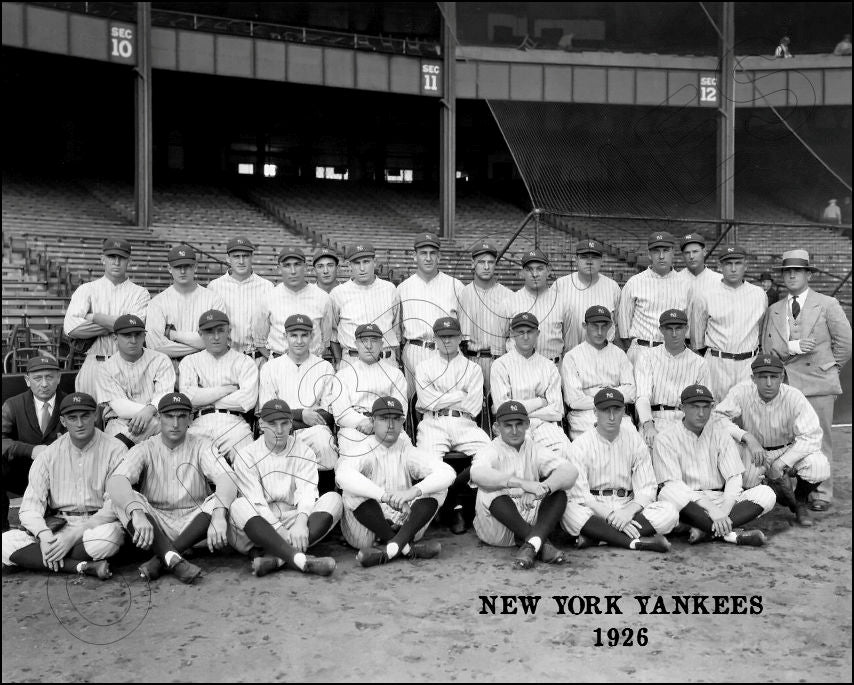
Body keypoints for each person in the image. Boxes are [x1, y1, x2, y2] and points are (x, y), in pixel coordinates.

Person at [107, 393, 238, 584]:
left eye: (181, 416)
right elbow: (117, 480)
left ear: (190, 419)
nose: (175, 423)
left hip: (195, 522)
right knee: (120, 500)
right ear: (159, 418)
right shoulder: (145, 447)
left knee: (220, 501)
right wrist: (137, 513)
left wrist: (218, 515)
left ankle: (163, 558)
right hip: (156, 523)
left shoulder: (202, 445)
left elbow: (227, 477)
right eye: (169, 416)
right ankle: (175, 559)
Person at [761, 250, 852, 511]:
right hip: (787, 384)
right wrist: (793, 345)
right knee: (788, 440)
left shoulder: (827, 304)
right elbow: (768, 347)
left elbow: (845, 342)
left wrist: (830, 368)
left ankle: (821, 492)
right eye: (787, 271)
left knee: (819, 439)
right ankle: (791, 492)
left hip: (818, 383)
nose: (791, 275)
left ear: (808, 274)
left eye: (798, 270)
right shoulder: (775, 309)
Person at [2, 393, 125, 579]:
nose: (79, 423)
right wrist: (44, 536)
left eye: (85, 416)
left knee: (107, 539)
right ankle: (82, 566)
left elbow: (114, 506)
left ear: (95, 416)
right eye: (72, 418)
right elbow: (30, 508)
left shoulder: (116, 449)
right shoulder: (48, 454)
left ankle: (39, 559)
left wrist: (73, 537)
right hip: (58, 527)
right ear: (63, 421)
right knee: (4, 542)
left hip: (95, 526)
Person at [713, 354, 831, 528]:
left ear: (781, 377)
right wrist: (747, 437)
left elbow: (812, 435)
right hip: (755, 451)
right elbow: (717, 418)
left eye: (774, 377)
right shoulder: (741, 390)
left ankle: (799, 502)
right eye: (763, 377)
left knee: (818, 467)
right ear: (753, 378)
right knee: (745, 482)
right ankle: (774, 492)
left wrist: (782, 463)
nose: (769, 383)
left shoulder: (794, 396)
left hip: (787, 450)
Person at [336, 396, 455, 567]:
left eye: (395, 419)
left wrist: (413, 492)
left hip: (404, 522)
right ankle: (405, 548)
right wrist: (384, 496)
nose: (390, 425)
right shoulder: (362, 449)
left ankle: (391, 548)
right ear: (372, 421)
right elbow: (342, 475)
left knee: (438, 487)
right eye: (384, 419)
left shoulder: (407, 449)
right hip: (367, 530)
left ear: (402, 423)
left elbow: (447, 472)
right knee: (351, 490)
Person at [229, 400, 341, 578]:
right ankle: (298, 558)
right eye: (272, 424)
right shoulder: (246, 455)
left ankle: (276, 559)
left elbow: (307, 493)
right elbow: (256, 502)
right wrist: (282, 532)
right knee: (239, 505)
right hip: (260, 525)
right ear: (261, 424)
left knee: (334, 500)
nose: (279, 430)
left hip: (294, 520)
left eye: (284, 423)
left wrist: (301, 522)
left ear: (291, 424)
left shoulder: (304, 451)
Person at [654, 384, 775, 546]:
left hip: (720, 498)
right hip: (689, 504)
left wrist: (723, 511)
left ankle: (706, 530)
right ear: (682, 408)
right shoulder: (665, 438)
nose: (701, 413)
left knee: (766, 493)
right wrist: (712, 510)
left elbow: (733, 477)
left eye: (706, 407)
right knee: (668, 492)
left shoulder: (720, 433)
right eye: (695, 407)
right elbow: (674, 485)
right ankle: (730, 535)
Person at [562, 388, 678, 552]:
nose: (611, 416)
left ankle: (599, 538)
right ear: (595, 412)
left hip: (627, 505)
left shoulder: (635, 441)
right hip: (596, 508)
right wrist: (610, 515)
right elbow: (581, 495)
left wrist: (627, 513)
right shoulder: (580, 445)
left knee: (669, 512)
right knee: (568, 512)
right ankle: (635, 541)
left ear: (623, 411)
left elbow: (646, 488)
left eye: (616, 410)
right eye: (605, 410)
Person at [470, 401, 577, 569]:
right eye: (508, 426)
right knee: (488, 489)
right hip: (498, 528)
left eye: (519, 424)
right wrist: (525, 485)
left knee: (559, 490)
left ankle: (531, 545)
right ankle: (542, 544)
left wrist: (544, 488)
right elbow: (476, 474)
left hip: (529, 513)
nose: (514, 431)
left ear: (527, 424)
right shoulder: (489, 449)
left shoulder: (534, 448)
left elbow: (570, 471)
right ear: (497, 427)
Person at [415, 316, 491, 533]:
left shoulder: (473, 368)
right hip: (434, 422)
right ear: (435, 339)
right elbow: (426, 401)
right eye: (442, 337)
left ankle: (454, 498)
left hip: (465, 423)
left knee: (490, 454)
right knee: (428, 462)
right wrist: (460, 394)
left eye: (451, 336)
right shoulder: (424, 366)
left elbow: (474, 405)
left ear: (459, 338)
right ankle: (453, 507)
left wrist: (441, 396)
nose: (446, 341)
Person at [63, 238, 150, 396]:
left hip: (128, 365)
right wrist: (120, 326)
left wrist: (93, 316)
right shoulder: (87, 289)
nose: (116, 262)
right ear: (102, 259)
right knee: (88, 417)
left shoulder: (140, 293)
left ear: (128, 260)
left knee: (126, 418)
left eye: (122, 258)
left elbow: (135, 328)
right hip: (94, 363)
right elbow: (71, 328)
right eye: (111, 257)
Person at [259, 314, 338, 473]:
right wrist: (301, 414)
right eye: (294, 335)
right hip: (280, 429)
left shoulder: (324, 367)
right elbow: (266, 411)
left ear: (312, 336)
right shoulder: (271, 367)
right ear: (285, 336)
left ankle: (324, 492)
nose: (299, 341)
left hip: (315, 430)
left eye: (304, 335)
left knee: (325, 444)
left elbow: (329, 413)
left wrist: (292, 418)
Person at [179, 310, 258, 465]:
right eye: (209, 332)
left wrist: (204, 398)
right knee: (184, 461)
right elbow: (188, 398)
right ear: (200, 333)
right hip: (199, 423)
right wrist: (226, 390)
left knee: (247, 460)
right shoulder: (190, 361)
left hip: (234, 423)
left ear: (228, 331)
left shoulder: (244, 361)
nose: (215, 337)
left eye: (220, 331)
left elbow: (246, 401)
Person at [689, 245, 767, 402]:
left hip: (748, 364)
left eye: (738, 263)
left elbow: (761, 330)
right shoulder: (704, 295)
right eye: (728, 264)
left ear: (746, 266)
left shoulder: (759, 294)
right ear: (719, 266)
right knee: (716, 415)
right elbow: (697, 340)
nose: (733, 269)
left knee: (748, 414)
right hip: (717, 363)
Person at [491, 313, 570, 458]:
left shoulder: (549, 366)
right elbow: (502, 408)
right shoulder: (501, 364)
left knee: (565, 450)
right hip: (513, 425)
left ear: (537, 333)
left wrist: (519, 410)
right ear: (512, 334)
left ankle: (550, 481)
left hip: (544, 424)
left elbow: (557, 411)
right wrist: (540, 402)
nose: (525, 337)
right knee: (520, 456)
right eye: (520, 332)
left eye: (530, 332)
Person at [2, 355, 67, 532]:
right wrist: (31, 450)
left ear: (59, 377)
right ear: (27, 380)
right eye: (38, 378)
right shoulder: (13, 405)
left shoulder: (71, 404)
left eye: (49, 377)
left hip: (61, 474)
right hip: (22, 472)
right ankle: (3, 531)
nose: (44, 384)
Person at [397, 232, 464, 396]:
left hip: (447, 350)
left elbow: (464, 325)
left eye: (432, 253)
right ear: (415, 256)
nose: (428, 258)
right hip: (415, 348)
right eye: (423, 253)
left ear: (439, 257)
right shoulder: (402, 288)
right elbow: (398, 328)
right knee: (414, 404)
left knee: (448, 400)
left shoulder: (455, 285)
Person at [330, 322, 408, 461]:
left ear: (382, 344)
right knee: (353, 461)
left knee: (403, 451)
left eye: (374, 341)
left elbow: (401, 411)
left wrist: (375, 424)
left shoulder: (395, 374)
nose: (369, 345)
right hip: (354, 429)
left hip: (389, 427)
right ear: (356, 344)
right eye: (363, 341)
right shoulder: (343, 375)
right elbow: (341, 414)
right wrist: (366, 422)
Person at [95, 314, 175, 449]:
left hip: (157, 419)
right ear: (115, 338)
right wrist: (150, 412)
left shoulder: (160, 359)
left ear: (144, 336)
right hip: (120, 422)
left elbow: (165, 395)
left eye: (138, 335)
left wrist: (150, 412)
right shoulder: (105, 368)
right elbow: (121, 408)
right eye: (127, 335)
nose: (133, 340)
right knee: (118, 449)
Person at [635, 309, 710, 448]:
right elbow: (642, 397)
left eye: (679, 328)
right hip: (656, 418)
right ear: (661, 330)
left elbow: (704, 403)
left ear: (686, 329)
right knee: (646, 448)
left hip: (687, 421)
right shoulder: (647, 356)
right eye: (669, 329)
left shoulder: (700, 363)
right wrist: (648, 425)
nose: (674, 334)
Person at [561, 306, 635, 440]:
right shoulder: (572, 356)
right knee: (593, 443)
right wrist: (611, 393)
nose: (600, 332)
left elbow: (630, 392)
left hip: (616, 413)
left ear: (610, 326)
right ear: (585, 326)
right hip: (583, 415)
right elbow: (574, 400)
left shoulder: (619, 354)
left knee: (630, 438)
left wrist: (590, 393)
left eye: (604, 326)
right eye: (595, 326)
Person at [145, 245, 226, 366]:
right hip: (170, 367)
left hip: (207, 366)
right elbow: (155, 346)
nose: (182, 271)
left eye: (187, 266)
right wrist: (202, 345)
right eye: (178, 267)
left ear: (195, 267)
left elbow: (218, 338)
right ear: (169, 268)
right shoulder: (157, 302)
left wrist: (173, 335)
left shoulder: (213, 298)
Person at [617, 231, 690, 365]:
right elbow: (623, 327)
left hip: (673, 353)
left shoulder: (685, 284)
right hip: (641, 350)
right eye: (656, 251)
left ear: (673, 252)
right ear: (649, 254)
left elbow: (688, 326)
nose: (661, 256)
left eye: (666, 250)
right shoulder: (635, 282)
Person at [254, 246, 333, 361]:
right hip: (278, 363)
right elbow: (259, 340)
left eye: (297, 264)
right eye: (287, 265)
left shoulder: (322, 297)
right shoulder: (267, 298)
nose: (293, 271)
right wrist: (276, 361)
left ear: (305, 267)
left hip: (311, 364)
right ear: (279, 268)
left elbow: (326, 340)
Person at [330, 242, 400, 370]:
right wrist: (339, 361)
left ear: (374, 262)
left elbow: (396, 329)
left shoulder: (390, 289)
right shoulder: (338, 293)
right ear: (349, 265)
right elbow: (333, 334)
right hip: (352, 360)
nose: (362, 268)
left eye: (366, 262)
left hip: (386, 360)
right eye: (357, 263)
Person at [457, 240, 512, 395]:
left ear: (496, 264)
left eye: (490, 262)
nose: (486, 267)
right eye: (481, 262)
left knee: (499, 409)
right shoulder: (462, 293)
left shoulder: (508, 296)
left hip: (499, 360)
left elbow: (513, 336)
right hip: (470, 360)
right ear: (473, 264)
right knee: (473, 411)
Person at [207, 237, 274, 361]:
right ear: (228, 258)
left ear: (252, 257)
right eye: (236, 256)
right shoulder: (214, 287)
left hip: (257, 358)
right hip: (225, 357)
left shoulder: (267, 287)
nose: (241, 261)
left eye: (245, 256)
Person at [505, 248, 572, 364]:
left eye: (540, 269)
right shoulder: (509, 302)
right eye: (529, 269)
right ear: (522, 272)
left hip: (553, 366)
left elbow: (570, 345)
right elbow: (501, 344)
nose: (535, 274)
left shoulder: (562, 302)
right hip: (518, 368)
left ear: (548, 270)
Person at [555, 239, 622, 351]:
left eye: (595, 257)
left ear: (601, 260)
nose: (589, 261)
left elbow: (618, 327)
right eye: (584, 256)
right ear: (576, 259)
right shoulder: (560, 285)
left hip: (604, 355)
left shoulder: (613, 287)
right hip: (570, 355)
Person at [677, 232, 721, 303]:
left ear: (704, 252)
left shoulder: (719, 280)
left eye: (695, 252)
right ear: (683, 255)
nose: (691, 256)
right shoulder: (674, 281)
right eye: (687, 253)